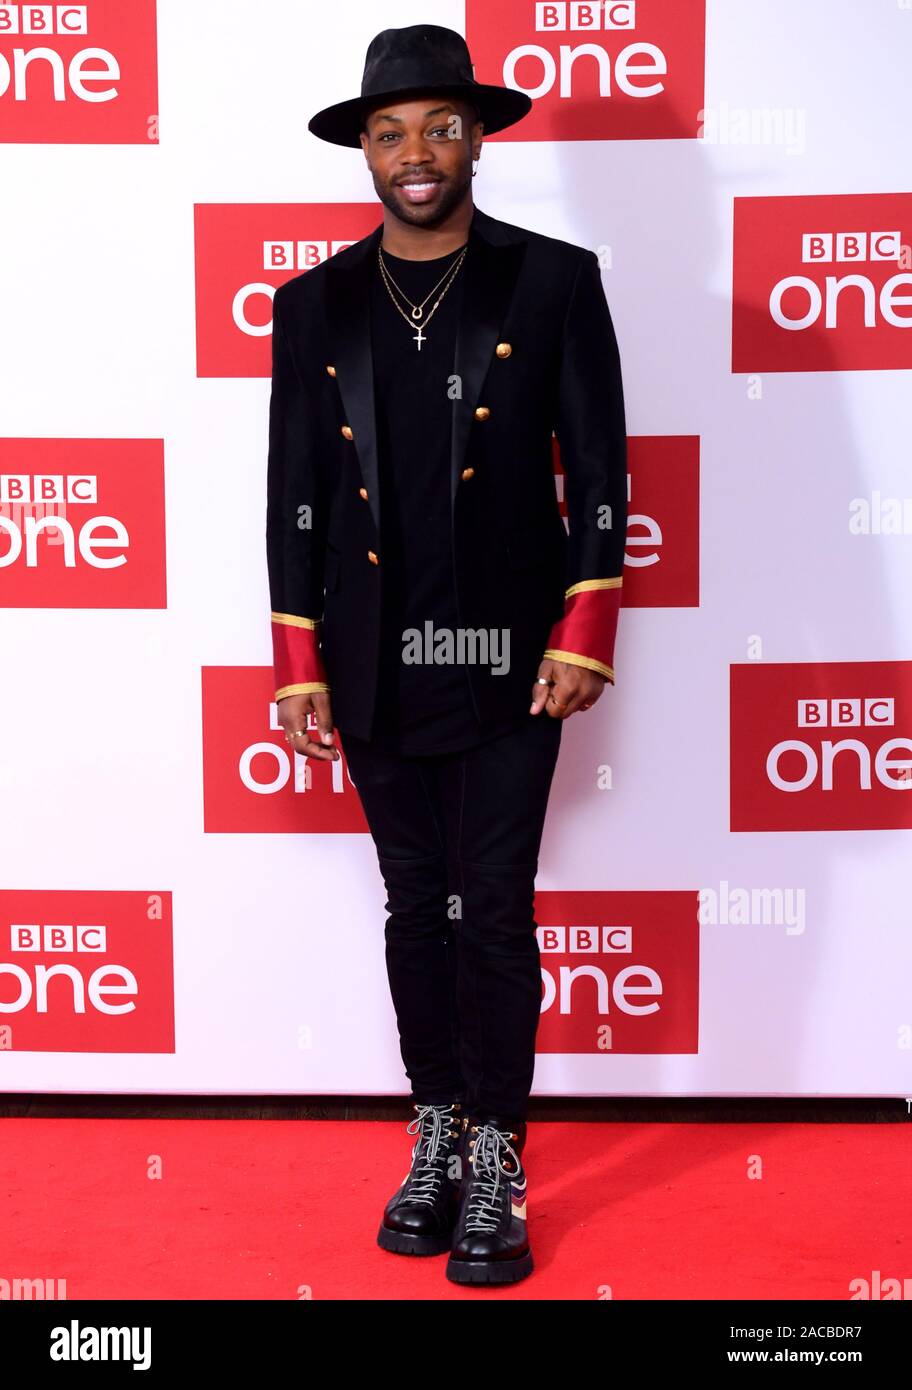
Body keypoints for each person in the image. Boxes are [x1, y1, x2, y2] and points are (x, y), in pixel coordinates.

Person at [266, 23, 627, 1286]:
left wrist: (587, 629)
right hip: (371, 660)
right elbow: (294, 492)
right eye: (388, 131)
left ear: (477, 138)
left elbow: (599, 471)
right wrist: (297, 659)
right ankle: (435, 1135)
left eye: (437, 127)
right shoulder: (310, 304)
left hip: (511, 657)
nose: (414, 153)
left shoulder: (555, 282)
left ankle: (501, 1155)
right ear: (363, 149)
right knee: (417, 906)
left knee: (496, 911)